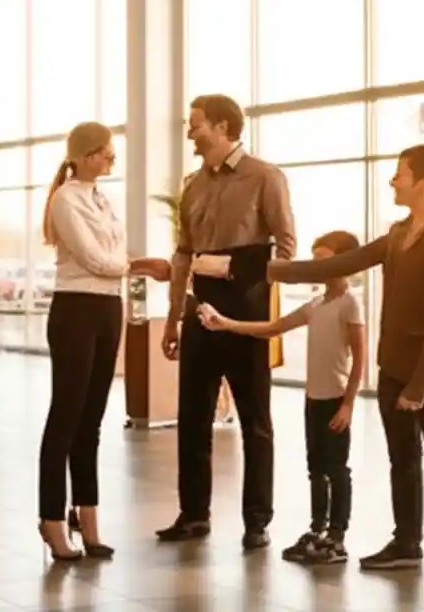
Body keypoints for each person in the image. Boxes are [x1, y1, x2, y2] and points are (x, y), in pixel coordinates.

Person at [266, 143, 424, 590]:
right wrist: (272, 269)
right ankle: (407, 544)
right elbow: (344, 262)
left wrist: (419, 386)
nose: (392, 181)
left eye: (400, 174)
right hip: (395, 368)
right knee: (403, 460)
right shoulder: (398, 234)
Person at [157, 94, 296, 550]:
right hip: (200, 308)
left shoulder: (265, 177)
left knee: (255, 419)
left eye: (195, 124)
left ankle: (257, 521)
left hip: (246, 311)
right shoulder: (193, 185)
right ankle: (193, 514)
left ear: (221, 127)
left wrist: (243, 273)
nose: (189, 132)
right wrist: (174, 318)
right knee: (192, 417)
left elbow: (286, 247)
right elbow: (182, 254)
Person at [37, 121, 173, 561]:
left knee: (91, 422)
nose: (111, 160)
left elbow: (111, 257)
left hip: (107, 308)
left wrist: (128, 262)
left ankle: (88, 520)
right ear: (83, 154)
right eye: (105, 153)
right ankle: (51, 519)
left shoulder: (100, 199)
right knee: (66, 416)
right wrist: (137, 264)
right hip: (76, 309)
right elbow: (95, 259)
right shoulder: (65, 199)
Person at [198, 230, 366, 565]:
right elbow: (272, 328)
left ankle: (337, 535)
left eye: (324, 260)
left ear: (345, 262)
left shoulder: (351, 303)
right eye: (314, 259)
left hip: (334, 398)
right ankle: (318, 529)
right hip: (313, 398)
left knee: (336, 468)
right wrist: (225, 324)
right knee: (315, 467)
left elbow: (360, 356)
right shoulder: (316, 304)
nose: (315, 267)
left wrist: (348, 403)